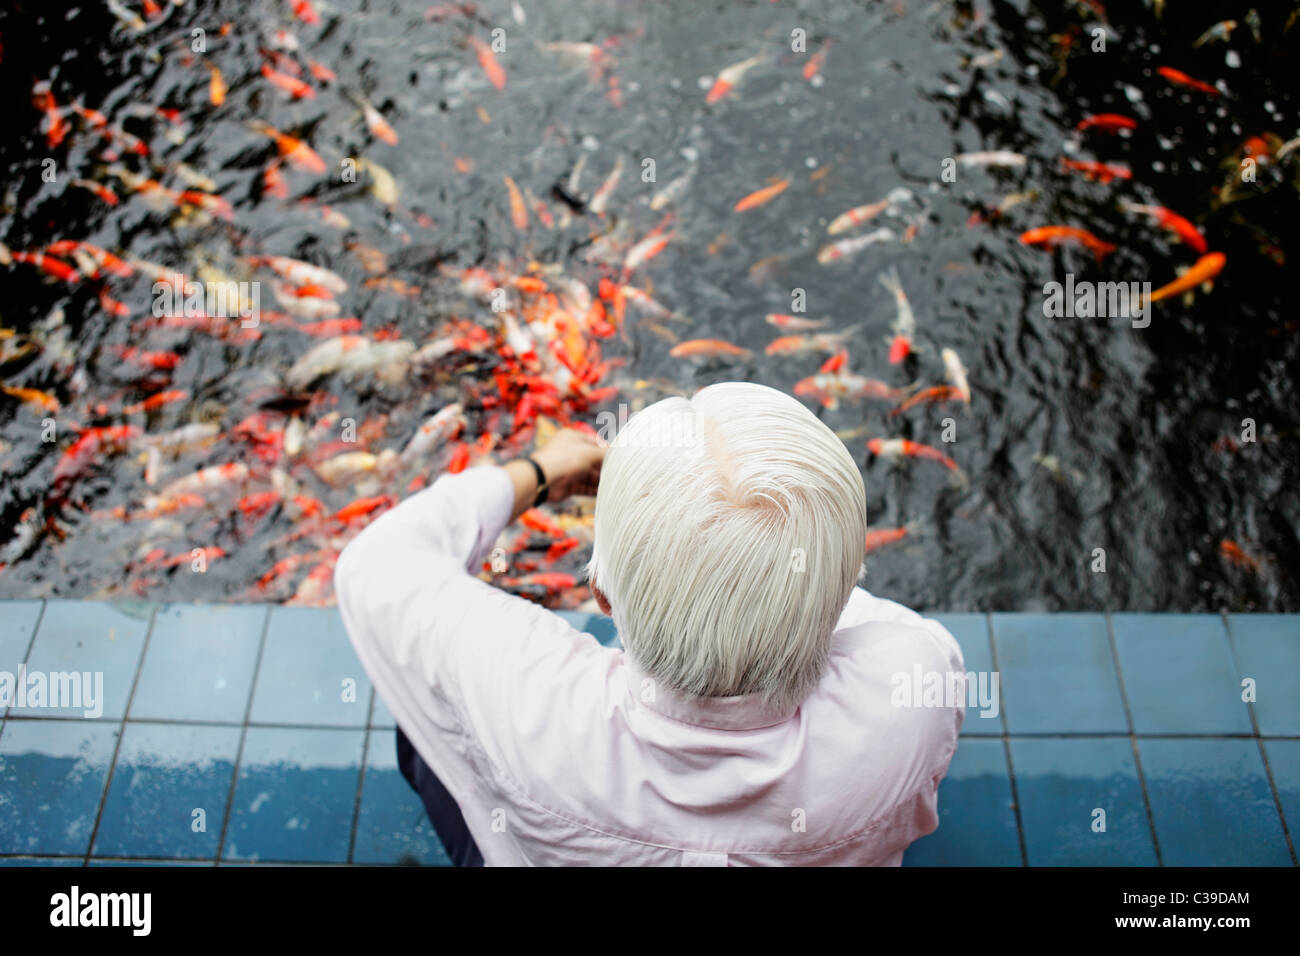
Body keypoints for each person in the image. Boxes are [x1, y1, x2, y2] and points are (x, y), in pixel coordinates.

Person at [335, 381, 965, 866]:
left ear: (603, 598)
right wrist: (770, 570)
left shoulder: (525, 697)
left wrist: (541, 472)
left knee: (420, 714)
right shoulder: (914, 695)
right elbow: (867, 618)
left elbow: (374, 567)